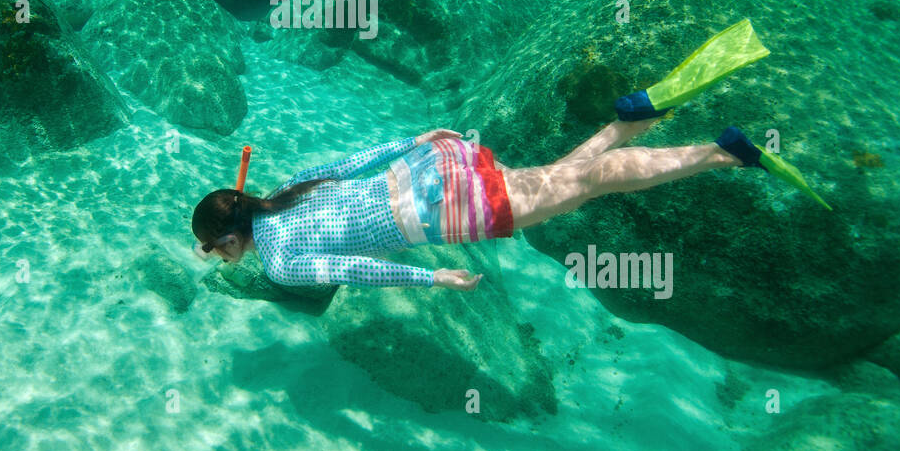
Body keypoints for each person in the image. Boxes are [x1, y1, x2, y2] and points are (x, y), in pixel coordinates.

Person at [190, 119, 758, 294]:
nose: (218, 258)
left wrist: (432, 276)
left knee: (586, 185)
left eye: (216, 251)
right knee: (556, 182)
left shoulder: (280, 263)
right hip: (425, 169)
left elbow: (353, 269)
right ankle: (626, 122)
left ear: (231, 242)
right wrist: (414, 141)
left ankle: (719, 154)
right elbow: (348, 162)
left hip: (440, 209)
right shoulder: (282, 193)